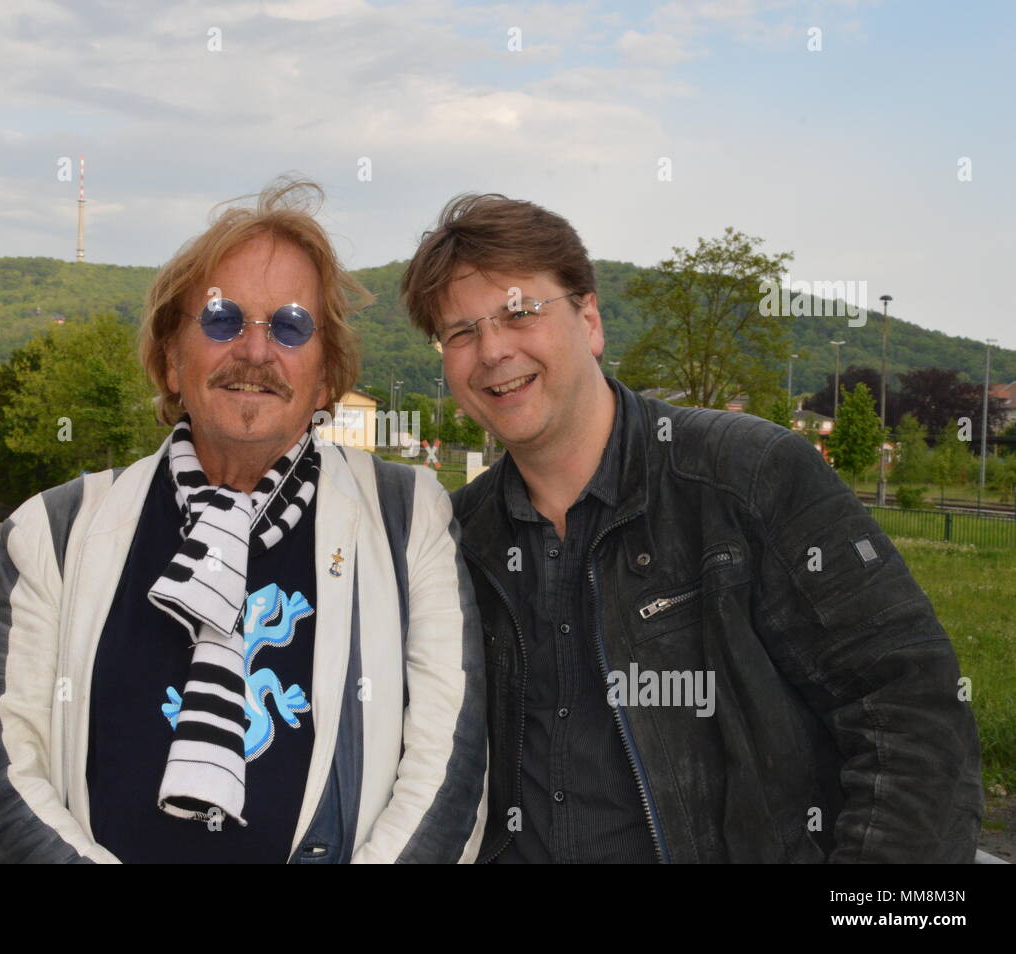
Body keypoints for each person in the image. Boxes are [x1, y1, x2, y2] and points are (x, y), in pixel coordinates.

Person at [399, 192, 983, 863]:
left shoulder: (750, 477)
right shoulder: (455, 540)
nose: (493, 350)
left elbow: (909, 711)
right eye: (461, 332)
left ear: (589, 319)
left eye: (519, 312)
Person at [0, 179, 486, 863]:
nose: (256, 351)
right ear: (171, 358)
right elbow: (1, 772)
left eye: (291, 326)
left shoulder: (407, 516)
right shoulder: (55, 532)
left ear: (326, 377)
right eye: (220, 319)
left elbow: (449, 773)